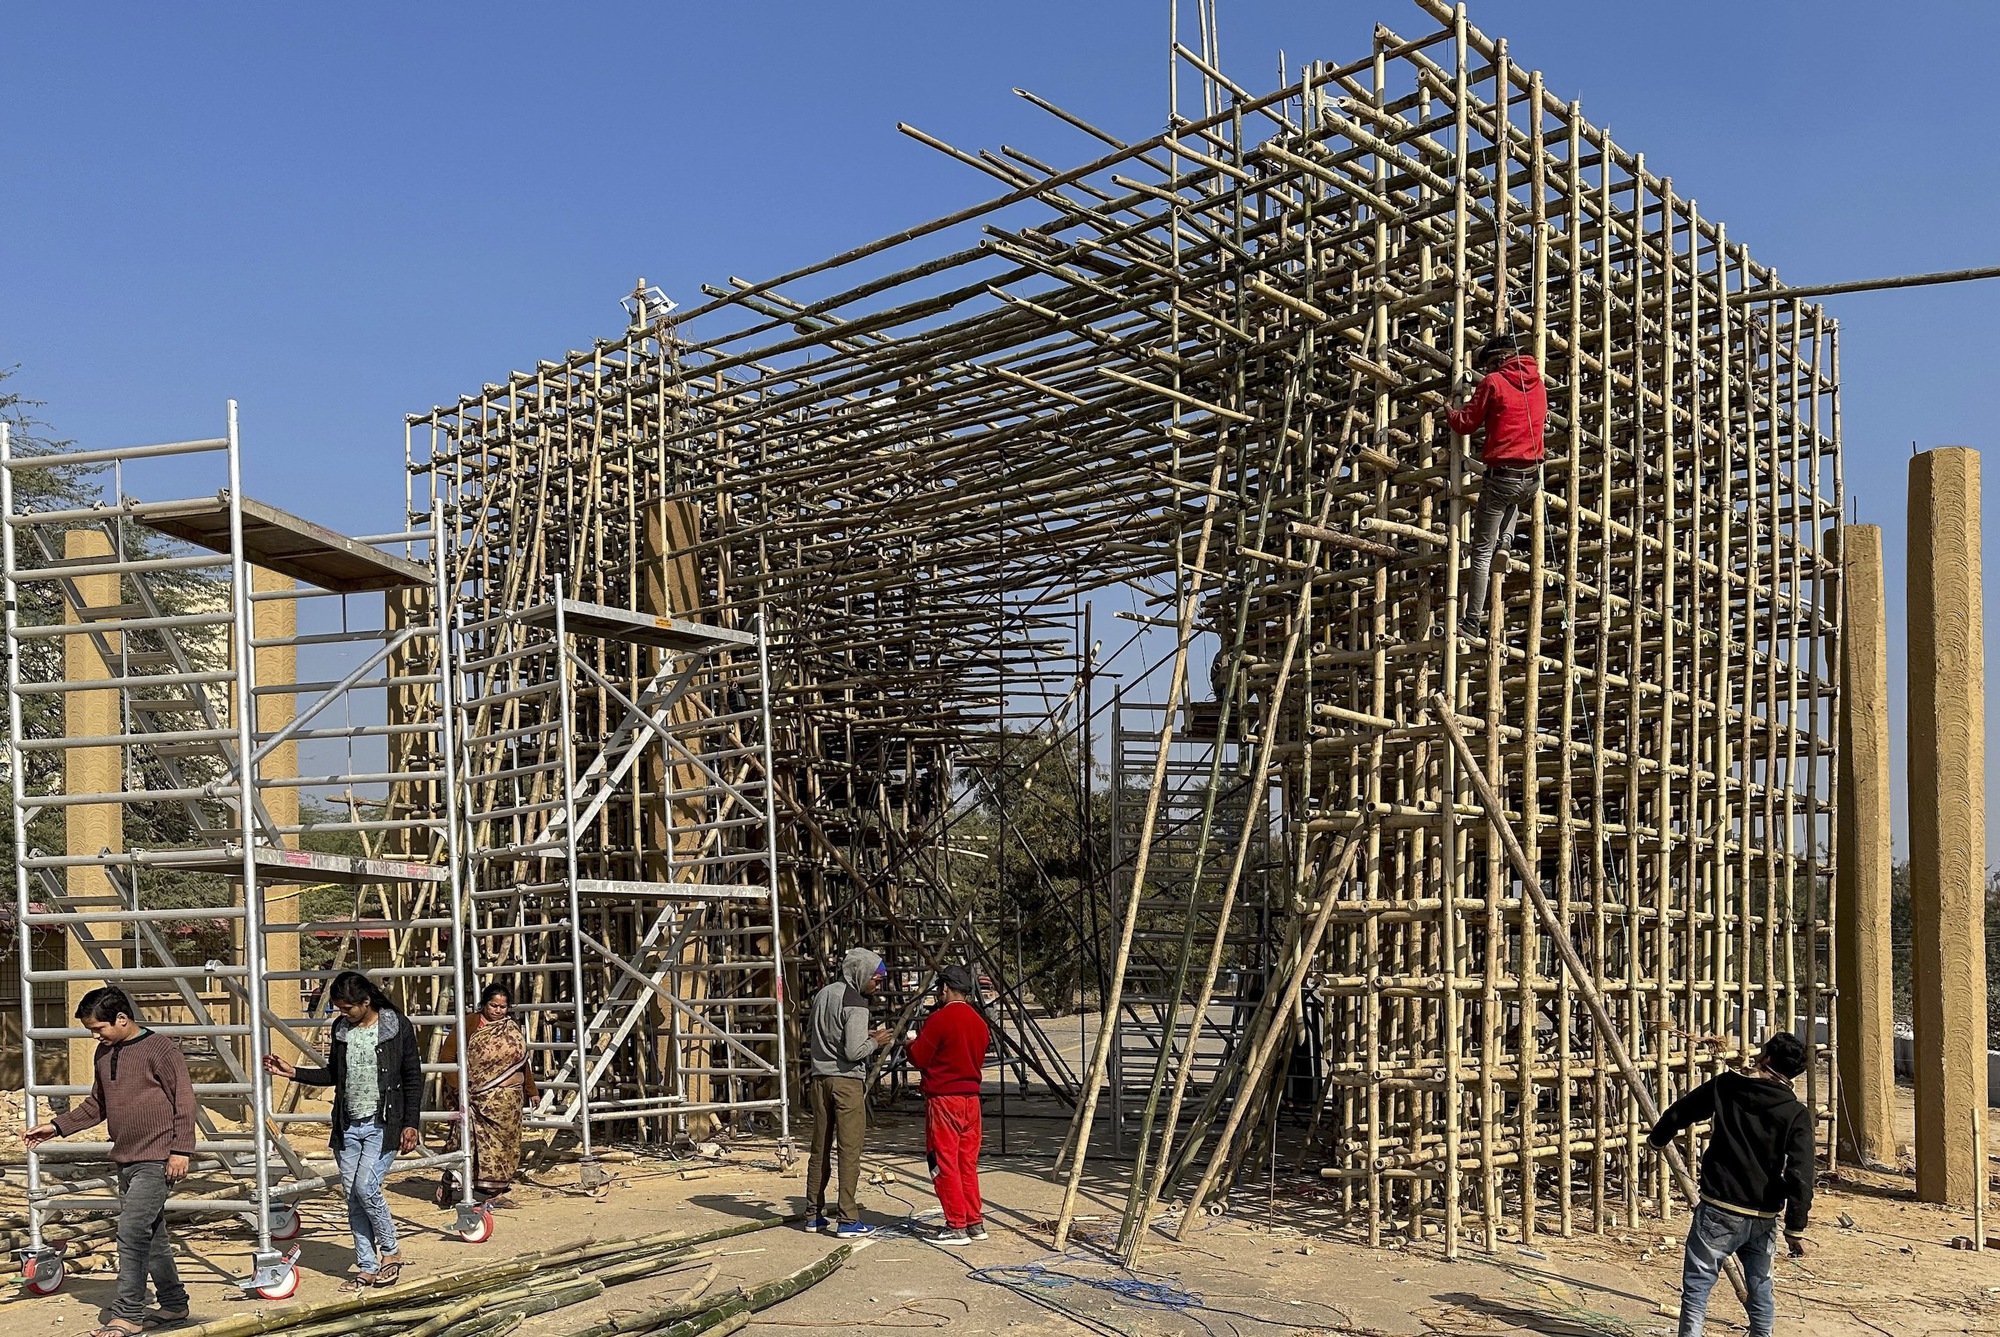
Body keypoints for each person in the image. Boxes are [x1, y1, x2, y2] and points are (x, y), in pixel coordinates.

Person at [26, 987, 195, 1337]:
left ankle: (129, 1314)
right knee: (152, 1236)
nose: (94, 1035)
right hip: (126, 1158)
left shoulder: (162, 1050)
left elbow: (184, 1101)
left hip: (158, 1157)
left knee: (131, 1232)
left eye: (99, 1028)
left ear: (122, 1018)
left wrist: (181, 1150)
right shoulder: (104, 1053)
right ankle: (174, 1304)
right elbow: (96, 1105)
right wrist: (56, 1127)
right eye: (91, 1029)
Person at [1646, 1033, 1816, 1337]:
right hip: (1763, 1216)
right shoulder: (1796, 1113)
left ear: (1765, 1059)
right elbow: (1801, 1173)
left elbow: (1679, 1113)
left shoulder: (1727, 1086)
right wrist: (1795, 1228)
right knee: (1761, 1284)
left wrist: (1657, 1140)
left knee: (1697, 1288)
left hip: (1719, 1209)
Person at [263, 972, 423, 1290]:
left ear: (366, 1002)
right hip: (348, 1126)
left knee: (366, 1188)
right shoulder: (341, 1029)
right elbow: (333, 1074)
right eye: (339, 1008)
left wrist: (410, 1123)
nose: (343, 1014)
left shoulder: (396, 1026)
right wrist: (292, 1072)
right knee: (352, 1197)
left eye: (347, 1008)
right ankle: (366, 1264)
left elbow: (412, 1077)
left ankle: (391, 1252)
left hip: (384, 1124)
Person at [1447, 332, 1548, 637]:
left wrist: (1448, 411)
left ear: (1501, 360)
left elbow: (1466, 423)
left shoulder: (1493, 382)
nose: (1488, 372)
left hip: (1501, 477)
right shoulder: (1539, 384)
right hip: (1531, 478)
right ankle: (1506, 541)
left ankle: (1471, 621)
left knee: (1481, 553)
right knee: (1515, 497)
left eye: (1491, 365)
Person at [804, 948, 893, 1237]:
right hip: (846, 1083)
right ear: (862, 973)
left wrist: (856, 1038)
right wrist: (875, 1042)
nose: (876, 986)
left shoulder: (824, 994)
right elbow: (854, 1051)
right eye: (875, 980)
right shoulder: (857, 1003)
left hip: (819, 1080)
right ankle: (848, 1218)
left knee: (819, 1149)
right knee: (849, 1150)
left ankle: (812, 1214)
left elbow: (819, 1034)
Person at [906, 964, 991, 1245]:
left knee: (943, 1162)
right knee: (967, 1162)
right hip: (971, 1100)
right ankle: (974, 1220)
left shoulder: (940, 1020)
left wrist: (909, 1044)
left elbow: (919, 1058)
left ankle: (955, 1224)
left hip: (944, 1099)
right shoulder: (979, 1022)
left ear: (944, 989)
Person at [439, 981, 535, 1206]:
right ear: (484, 1004)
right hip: (474, 1098)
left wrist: (532, 1091)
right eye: (493, 1006)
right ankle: (450, 1186)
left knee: (504, 1145)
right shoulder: (469, 1024)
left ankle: (495, 1191)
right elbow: (447, 1058)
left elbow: (521, 1063)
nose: (498, 1011)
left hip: (507, 1106)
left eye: (503, 1007)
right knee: (465, 1142)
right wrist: (461, 1090)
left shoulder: (511, 1027)